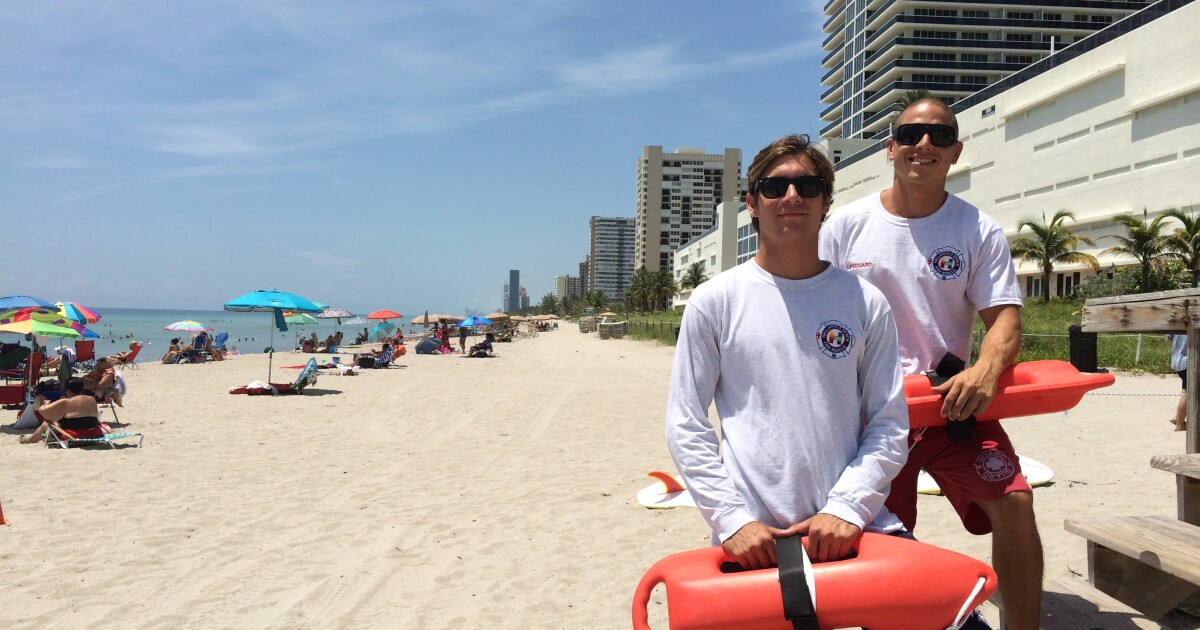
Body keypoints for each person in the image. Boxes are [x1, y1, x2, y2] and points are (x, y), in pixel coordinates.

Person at [820, 97, 1034, 629]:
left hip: (953, 409)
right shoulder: (844, 228)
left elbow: (1005, 319)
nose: (924, 145)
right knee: (882, 537)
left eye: (939, 136)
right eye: (911, 134)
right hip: (870, 418)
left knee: (1014, 506)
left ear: (956, 152)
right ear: (889, 147)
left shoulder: (975, 229)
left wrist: (985, 370)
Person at [666, 134, 909, 571]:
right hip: (754, 537)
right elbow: (685, 423)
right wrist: (733, 520)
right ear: (752, 204)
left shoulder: (864, 301)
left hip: (852, 527)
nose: (792, 196)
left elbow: (889, 424)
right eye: (775, 187)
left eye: (808, 186)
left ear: (826, 200)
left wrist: (847, 508)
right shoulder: (716, 300)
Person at [19, 377, 104, 444]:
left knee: (46, 423)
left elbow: (42, 412)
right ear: (82, 389)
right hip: (95, 433)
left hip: (75, 435)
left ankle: (30, 439)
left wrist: (46, 403)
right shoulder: (92, 399)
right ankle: (35, 438)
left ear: (68, 391)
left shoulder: (66, 402)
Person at [1170, 334, 1188, 431]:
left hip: (1177, 360)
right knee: (1187, 392)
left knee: (1186, 390)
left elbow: (1168, 339)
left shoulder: (1177, 319)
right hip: (1188, 360)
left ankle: (1177, 416)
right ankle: (1179, 425)